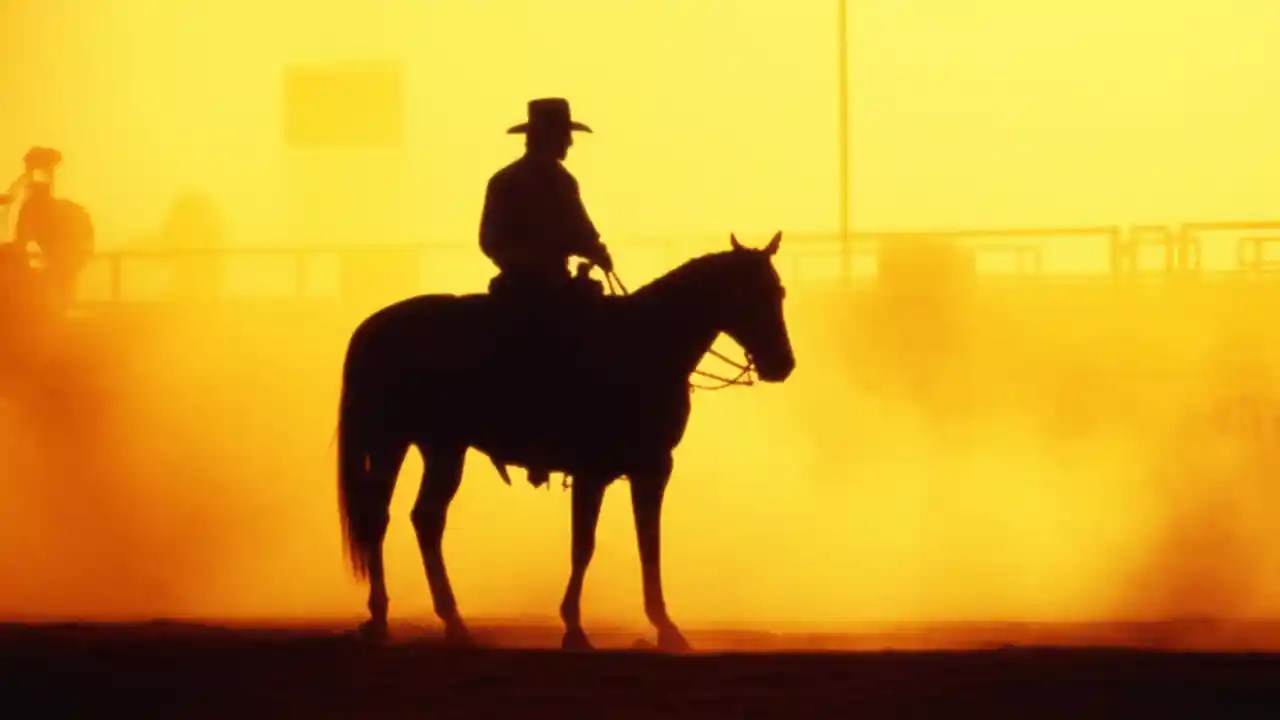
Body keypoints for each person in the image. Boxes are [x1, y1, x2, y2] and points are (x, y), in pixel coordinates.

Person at [478, 99, 614, 488]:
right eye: (565, 136)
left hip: (518, 283)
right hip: (542, 284)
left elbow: (490, 240)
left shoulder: (506, 180)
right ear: (548, 137)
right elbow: (582, 232)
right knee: (585, 343)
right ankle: (571, 431)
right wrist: (594, 252)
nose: (569, 144)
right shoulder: (557, 181)